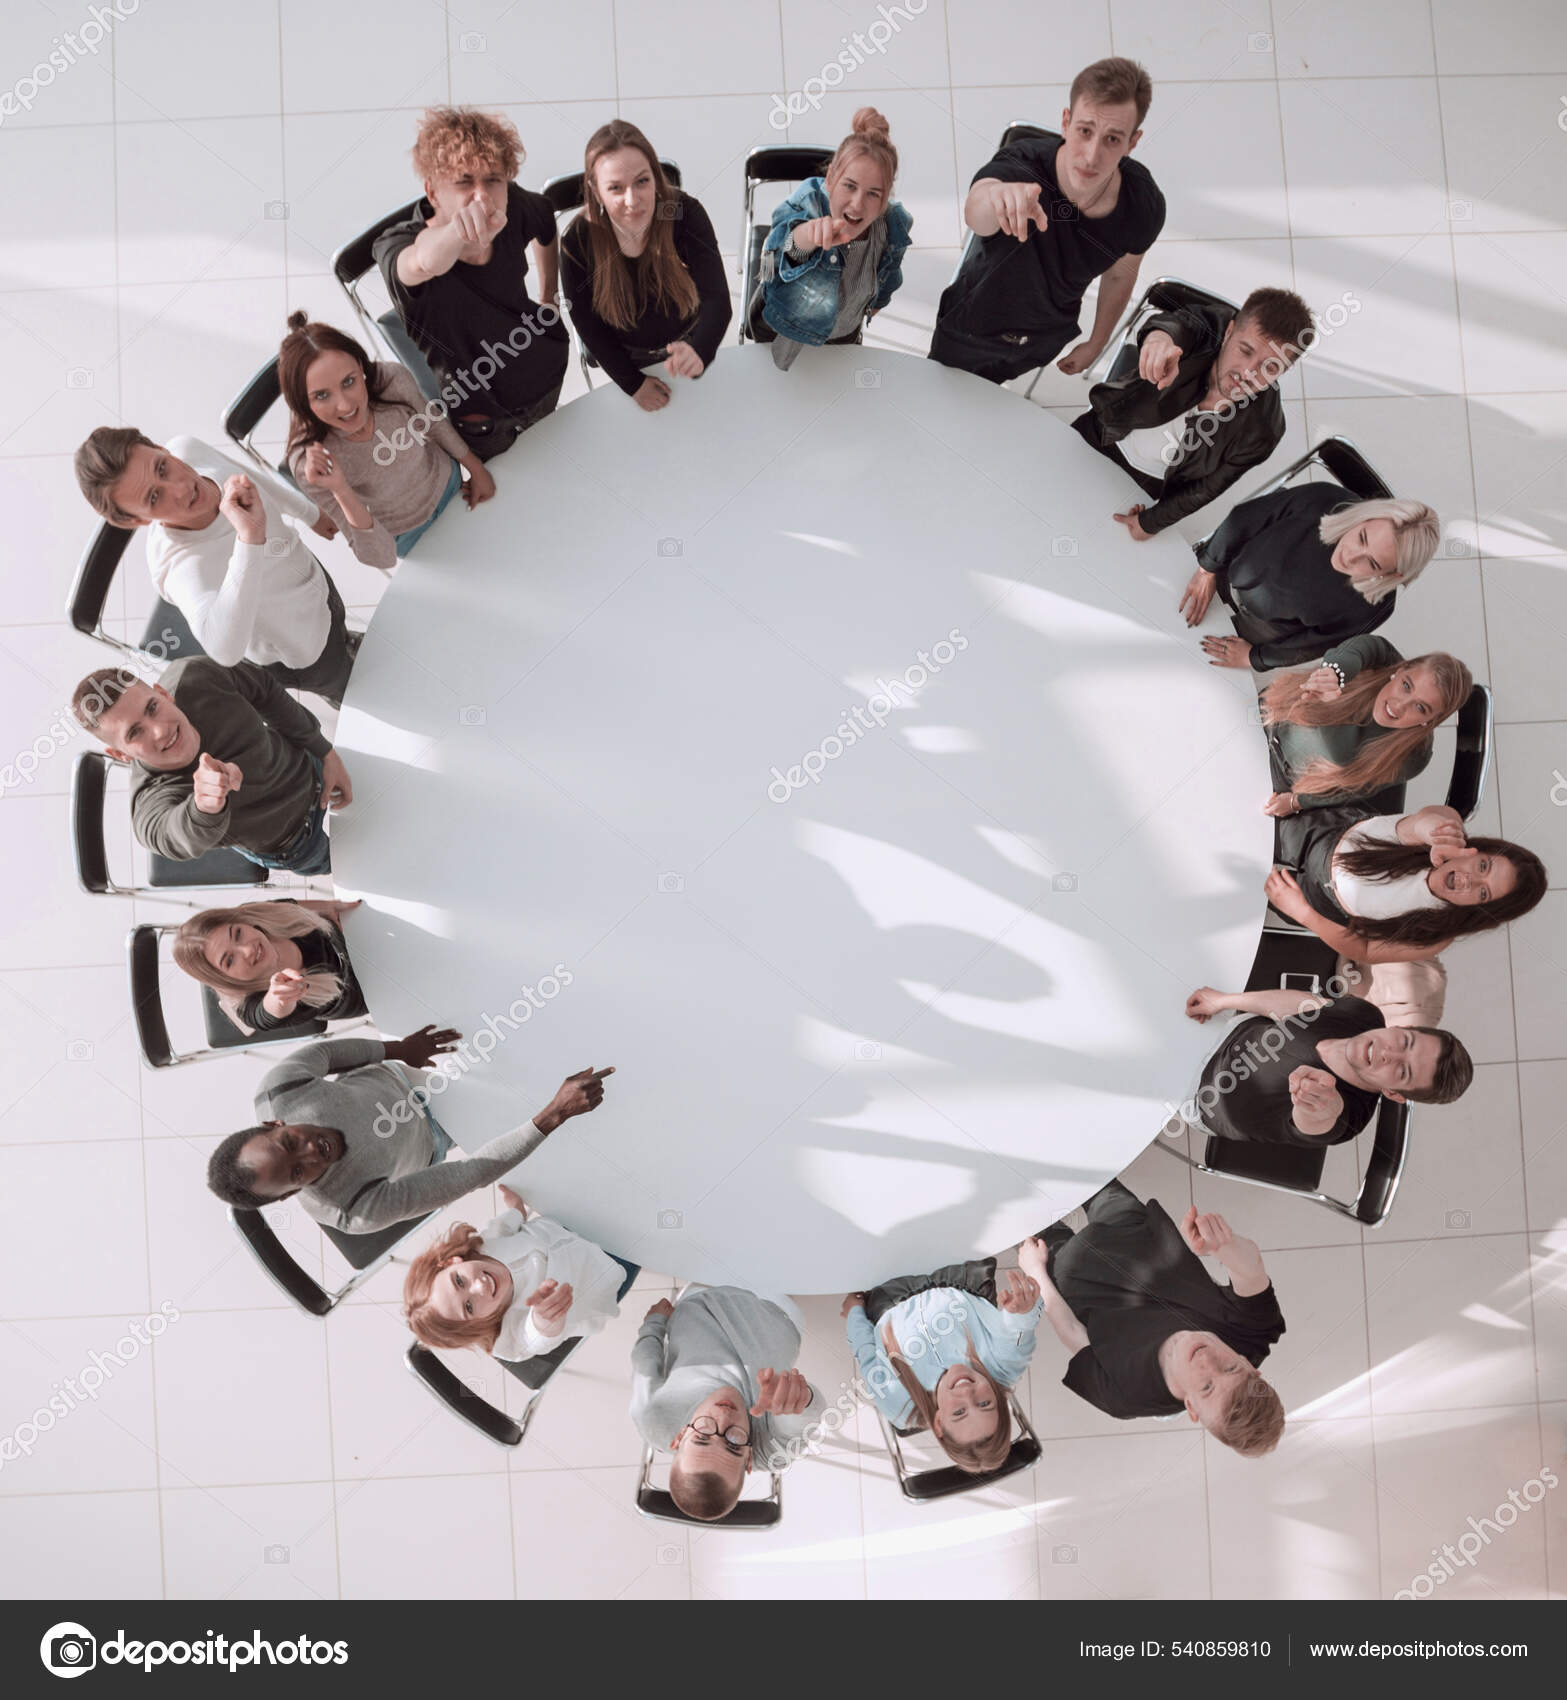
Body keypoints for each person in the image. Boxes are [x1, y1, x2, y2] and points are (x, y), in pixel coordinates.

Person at [74, 427, 357, 708]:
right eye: (153, 498)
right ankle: (340, 685)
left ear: (162, 448)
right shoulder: (180, 568)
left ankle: (346, 642)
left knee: (340, 629)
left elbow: (250, 478)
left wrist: (307, 512)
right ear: (135, 521)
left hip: (312, 580)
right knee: (352, 683)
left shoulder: (187, 448)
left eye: (163, 467)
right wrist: (250, 538)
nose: (182, 489)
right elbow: (225, 650)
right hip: (303, 647)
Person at [208, 1040, 614, 1234]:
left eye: (291, 1143)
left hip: (403, 1073)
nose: (313, 1152)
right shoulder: (354, 1211)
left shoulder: (278, 1089)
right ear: (289, 1196)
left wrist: (394, 1048)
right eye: (299, 1173)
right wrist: (554, 1113)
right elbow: (469, 1173)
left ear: (272, 1124)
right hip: (441, 1130)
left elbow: (328, 1057)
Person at [929, 58, 1164, 385]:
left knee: (990, 398)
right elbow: (977, 214)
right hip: (970, 323)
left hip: (1045, 337)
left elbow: (1120, 276)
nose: (1091, 156)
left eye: (1112, 139)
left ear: (1133, 142)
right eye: (1085, 131)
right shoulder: (1023, 163)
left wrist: (1096, 343)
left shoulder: (1143, 206)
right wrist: (996, 197)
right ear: (1065, 123)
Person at [1031, 1182, 1285, 1454]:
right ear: (1249, 1365)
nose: (1207, 1360)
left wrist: (1037, 1272)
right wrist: (1224, 1246)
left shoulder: (1127, 1398)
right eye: (1231, 1368)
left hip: (1069, 1271)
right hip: (1131, 1229)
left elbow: (1072, 1333)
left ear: (1191, 1407)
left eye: (1207, 1386)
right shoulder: (1252, 1333)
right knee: (1078, 1160)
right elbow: (1252, 1273)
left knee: (1016, 1200)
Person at [375, 106, 568, 460]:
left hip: (544, 376)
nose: (481, 195)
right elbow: (422, 261)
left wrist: (549, 296)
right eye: (464, 182)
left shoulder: (514, 206)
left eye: (493, 179)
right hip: (481, 417)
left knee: (556, 462)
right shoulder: (395, 244)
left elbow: (546, 223)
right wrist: (457, 234)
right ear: (433, 193)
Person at [1070, 286, 1314, 540]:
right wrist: (1159, 339)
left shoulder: (1264, 431)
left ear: (1283, 372)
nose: (1247, 372)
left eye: (1270, 366)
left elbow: (1206, 488)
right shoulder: (1210, 328)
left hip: (1147, 484)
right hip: (1104, 429)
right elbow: (1176, 325)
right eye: (1245, 351)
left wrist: (1151, 522)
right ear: (1228, 332)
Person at [71, 659, 352, 875]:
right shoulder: (150, 805)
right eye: (135, 733)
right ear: (121, 755)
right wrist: (204, 805)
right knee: (367, 872)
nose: (159, 731)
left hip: (310, 767)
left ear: (163, 693)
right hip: (296, 843)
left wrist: (323, 750)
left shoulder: (197, 675)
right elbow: (172, 835)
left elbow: (264, 689)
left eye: (152, 708)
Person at [279, 312, 495, 572]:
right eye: (322, 395)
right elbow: (382, 559)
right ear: (303, 402)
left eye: (349, 381)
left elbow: (434, 422)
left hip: (452, 485)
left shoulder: (391, 380)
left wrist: (476, 468)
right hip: (409, 536)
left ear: (361, 368)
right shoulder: (309, 464)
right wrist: (340, 489)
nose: (345, 405)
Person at [558, 121, 732, 409]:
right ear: (595, 189)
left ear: (656, 174)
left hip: (687, 339)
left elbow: (717, 298)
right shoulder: (577, 241)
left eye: (642, 181)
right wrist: (632, 384)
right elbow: (588, 326)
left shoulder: (683, 214)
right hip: (626, 355)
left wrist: (701, 349)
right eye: (615, 188)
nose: (632, 200)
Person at [1180, 480, 1441, 671]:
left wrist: (1254, 658)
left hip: (1265, 628)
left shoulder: (1373, 608)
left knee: (1193, 665)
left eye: (1371, 563)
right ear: (1364, 517)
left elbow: (1311, 644)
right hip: (1226, 568)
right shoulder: (1321, 500)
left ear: (1391, 575)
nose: (1350, 556)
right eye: (1362, 537)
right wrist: (1208, 568)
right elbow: (1243, 520)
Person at [1182, 982, 1474, 1146]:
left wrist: (1319, 1105)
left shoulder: (1345, 1118)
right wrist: (1224, 1000)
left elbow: (1320, 1118)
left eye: (1402, 1070)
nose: (1389, 1053)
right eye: (1405, 1042)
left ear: (1393, 1093)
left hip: (1196, 1093)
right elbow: (1302, 1008)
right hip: (1230, 1025)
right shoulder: (1366, 1016)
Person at [630, 1286, 825, 1522]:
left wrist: (654, 1323)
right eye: (733, 1443)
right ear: (749, 1460)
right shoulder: (771, 1452)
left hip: (701, 1294)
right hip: (770, 1301)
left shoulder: (652, 1416)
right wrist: (796, 1401)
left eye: (703, 1436)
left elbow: (645, 1359)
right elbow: (806, 1416)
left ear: (679, 1438)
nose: (724, 1417)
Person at [1264, 805, 1547, 964]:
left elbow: (1364, 951)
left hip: (1312, 903)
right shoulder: (1449, 831)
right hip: (1314, 833)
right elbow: (1427, 822)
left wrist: (1302, 913)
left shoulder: (1436, 937)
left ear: (1479, 909)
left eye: (1483, 893)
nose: (1469, 880)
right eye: (1483, 866)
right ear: (1476, 851)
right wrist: (1434, 835)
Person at [841, 1253, 1042, 1474]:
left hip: (889, 1293)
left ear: (939, 1423)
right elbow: (1021, 1327)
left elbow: (865, 1349)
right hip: (959, 1275)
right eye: (985, 1404)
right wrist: (1023, 1310)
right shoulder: (1006, 1365)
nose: (967, 1393)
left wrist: (854, 1311)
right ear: (1000, 1402)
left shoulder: (895, 1403)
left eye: (959, 1412)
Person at [402, 1185, 635, 1362]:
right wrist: (543, 1320)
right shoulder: (507, 1340)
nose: (480, 1286)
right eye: (469, 1307)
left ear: (452, 1262)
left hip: (564, 1222)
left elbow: (500, 1230)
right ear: (474, 1326)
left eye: (459, 1280)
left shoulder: (480, 1249)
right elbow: (534, 1338)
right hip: (606, 1267)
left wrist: (516, 1211)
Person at [756, 107, 912, 370]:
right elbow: (770, 268)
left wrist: (877, 303)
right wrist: (806, 238)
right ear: (830, 179)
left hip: (843, 336)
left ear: (886, 198)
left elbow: (890, 273)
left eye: (874, 194)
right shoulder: (805, 208)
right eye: (849, 186)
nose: (857, 204)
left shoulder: (893, 225)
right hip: (785, 331)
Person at [1258, 640, 1471, 819]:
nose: (1398, 706)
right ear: (1400, 670)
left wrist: (1296, 802)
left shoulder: (1414, 757)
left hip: (1282, 779)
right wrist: (1334, 673)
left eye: (1420, 707)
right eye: (1406, 686)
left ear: (1430, 721)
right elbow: (1354, 652)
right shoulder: (1382, 657)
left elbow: (1348, 790)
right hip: (1271, 717)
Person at [173, 898, 365, 1035]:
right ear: (224, 978)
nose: (247, 949)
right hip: (364, 990)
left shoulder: (255, 914)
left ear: (243, 922)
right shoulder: (250, 1008)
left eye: (238, 933)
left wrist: (328, 906)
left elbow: (291, 906)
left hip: (356, 935)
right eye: (229, 960)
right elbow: (266, 1014)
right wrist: (278, 998)